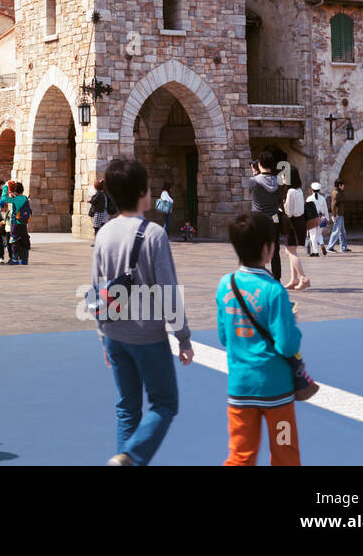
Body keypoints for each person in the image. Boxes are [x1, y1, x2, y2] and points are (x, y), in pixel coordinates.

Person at [92, 158, 194, 466]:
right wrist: (183, 338)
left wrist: (102, 335)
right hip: (147, 334)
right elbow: (168, 291)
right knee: (165, 403)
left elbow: (98, 289)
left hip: (113, 333)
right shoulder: (153, 234)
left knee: (127, 407)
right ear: (142, 192)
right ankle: (132, 456)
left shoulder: (104, 233)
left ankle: (124, 459)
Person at [217, 212, 307, 466]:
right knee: (284, 452)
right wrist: (293, 323)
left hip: (240, 388)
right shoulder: (274, 290)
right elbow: (287, 344)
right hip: (276, 390)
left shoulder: (226, 284)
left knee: (240, 456)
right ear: (268, 249)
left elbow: (224, 336)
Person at [244, 153, 282, 279]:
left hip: (258, 219)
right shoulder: (278, 181)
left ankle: (261, 277)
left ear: (259, 164)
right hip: (274, 218)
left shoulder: (253, 181)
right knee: (275, 250)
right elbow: (279, 200)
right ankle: (277, 278)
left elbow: (251, 193)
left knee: (259, 249)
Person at [282, 171, 309, 290]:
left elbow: (288, 211)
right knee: (291, 250)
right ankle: (294, 279)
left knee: (290, 251)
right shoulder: (299, 190)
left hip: (292, 223)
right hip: (299, 222)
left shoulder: (290, 192)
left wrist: (281, 206)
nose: (282, 177)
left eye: (284, 176)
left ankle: (303, 278)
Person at [3, 181, 32, 264]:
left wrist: (5, 187)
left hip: (15, 223)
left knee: (15, 241)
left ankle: (15, 259)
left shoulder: (15, 199)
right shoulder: (25, 198)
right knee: (24, 241)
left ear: (15, 191)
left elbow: (4, 199)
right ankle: (24, 260)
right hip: (24, 223)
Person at [305, 182, 328, 258]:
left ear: (311, 189)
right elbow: (325, 210)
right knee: (318, 234)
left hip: (312, 219)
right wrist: (327, 218)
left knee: (313, 236)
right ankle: (321, 244)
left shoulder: (309, 198)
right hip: (321, 218)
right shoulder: (322, 198)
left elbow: (307, 211)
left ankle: (315, 252)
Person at [326, 179, 349, 253]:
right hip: (338, 214)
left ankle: (343, 247)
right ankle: (330, 247)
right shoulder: (336, 193)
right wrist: (334, 215)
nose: (344, 186)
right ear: (339, 185)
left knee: (342, 232)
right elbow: (333, 205)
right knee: (336, 231)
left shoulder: (339, 192)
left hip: (340, 214)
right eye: (343, 185)